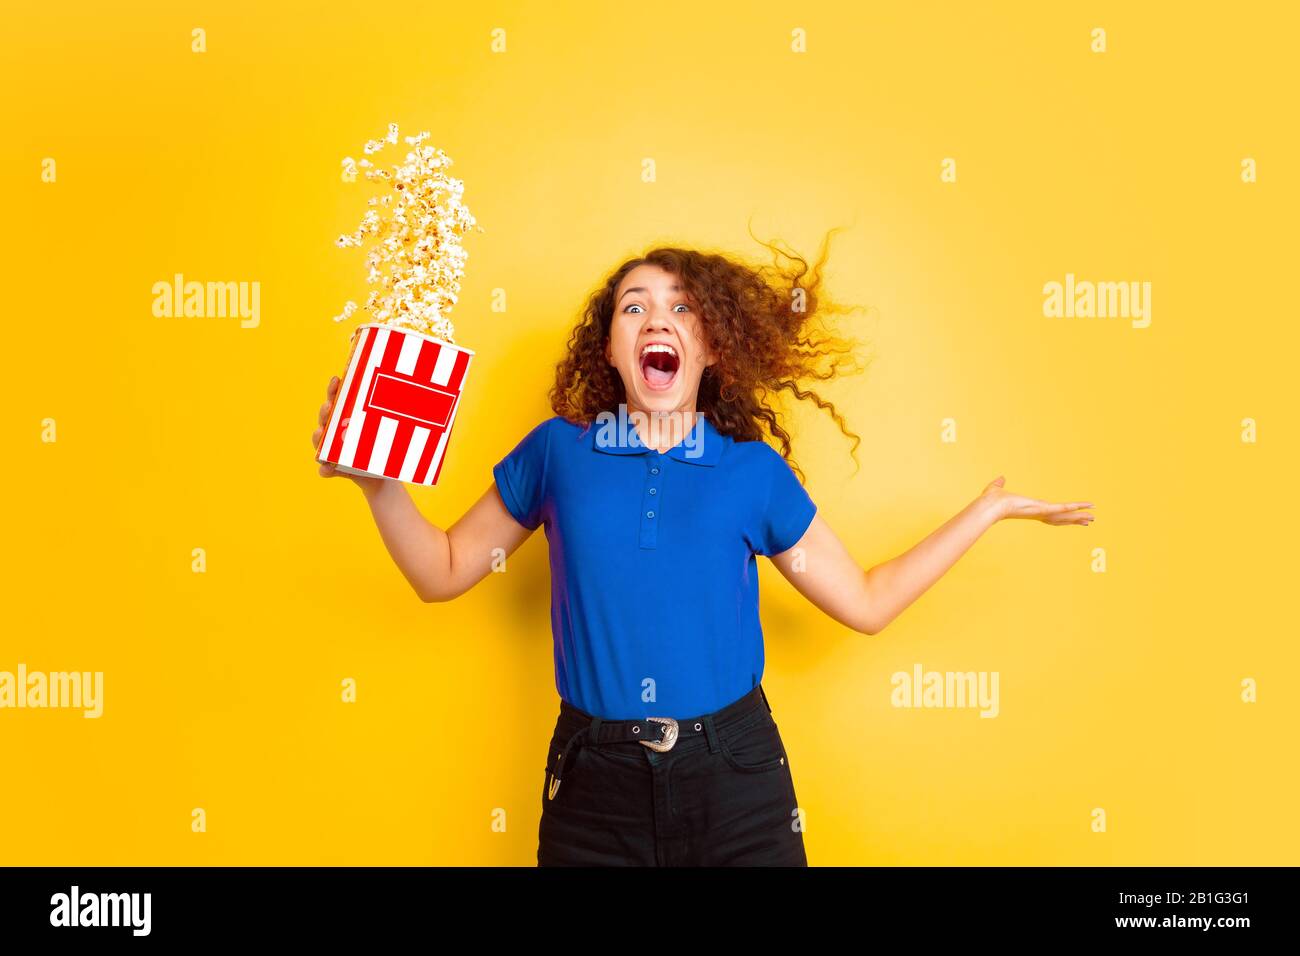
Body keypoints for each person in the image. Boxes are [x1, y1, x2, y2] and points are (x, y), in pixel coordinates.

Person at [310, 236, 1096, 866]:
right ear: (610, 350)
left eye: (682, 309)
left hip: (736, 778)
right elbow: (443, 572)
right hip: (594, 783)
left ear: (712, 347)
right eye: (634, 308)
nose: (657, 320)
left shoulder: (752, 474)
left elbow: (867, 602)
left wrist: (984, 513)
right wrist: (378, 487)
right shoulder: (557, 456)